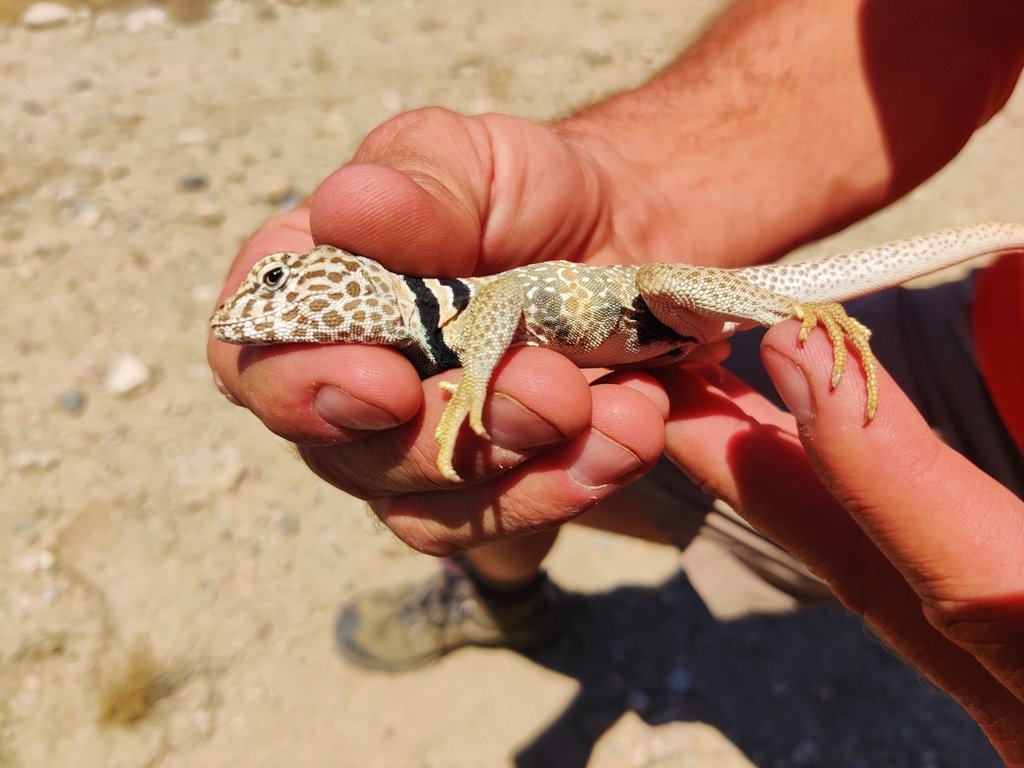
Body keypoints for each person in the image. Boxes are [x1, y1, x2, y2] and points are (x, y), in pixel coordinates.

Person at [207, 0, 1024, 760]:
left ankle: (798, 314)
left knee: (516, 406)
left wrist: (780, 305)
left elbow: (508, 308)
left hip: (657, 311)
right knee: (505, 445)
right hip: (726, 342)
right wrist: (626, 180)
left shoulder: (460, 320)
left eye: (281, 286)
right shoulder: (428, 314)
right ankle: (501, 598)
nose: (268, 303)